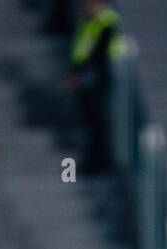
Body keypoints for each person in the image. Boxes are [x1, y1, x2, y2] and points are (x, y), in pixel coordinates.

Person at [68, 0, 124, 174]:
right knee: (91, 122)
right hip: (91, 77)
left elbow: (98, 53)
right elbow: (82, 48)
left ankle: (99, 163)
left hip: (97, 78)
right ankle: (95, 161)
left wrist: (80, 72)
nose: (84, 5)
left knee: (97, 123)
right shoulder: (90, 20)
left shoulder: (106, 21)